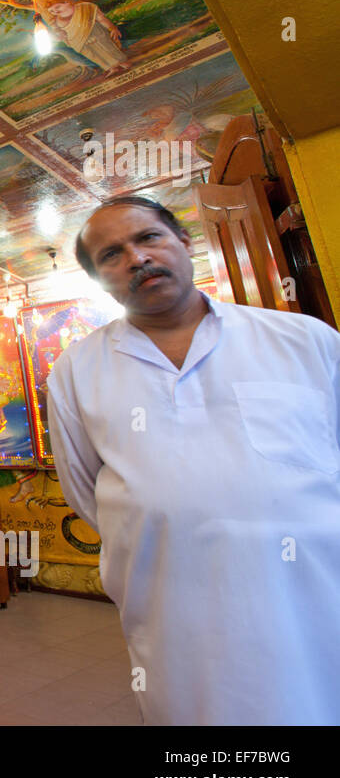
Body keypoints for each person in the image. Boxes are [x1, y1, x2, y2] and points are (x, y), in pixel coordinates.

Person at [47, 194, 340, 724]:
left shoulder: (304, 341)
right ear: (99, 280)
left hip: (315, 603)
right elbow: (86, 490)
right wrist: (167, 520)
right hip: (173, 617)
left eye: (148, 238)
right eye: (111, 255)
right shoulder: (77, 370)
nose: (136, 259)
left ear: (184, 242)